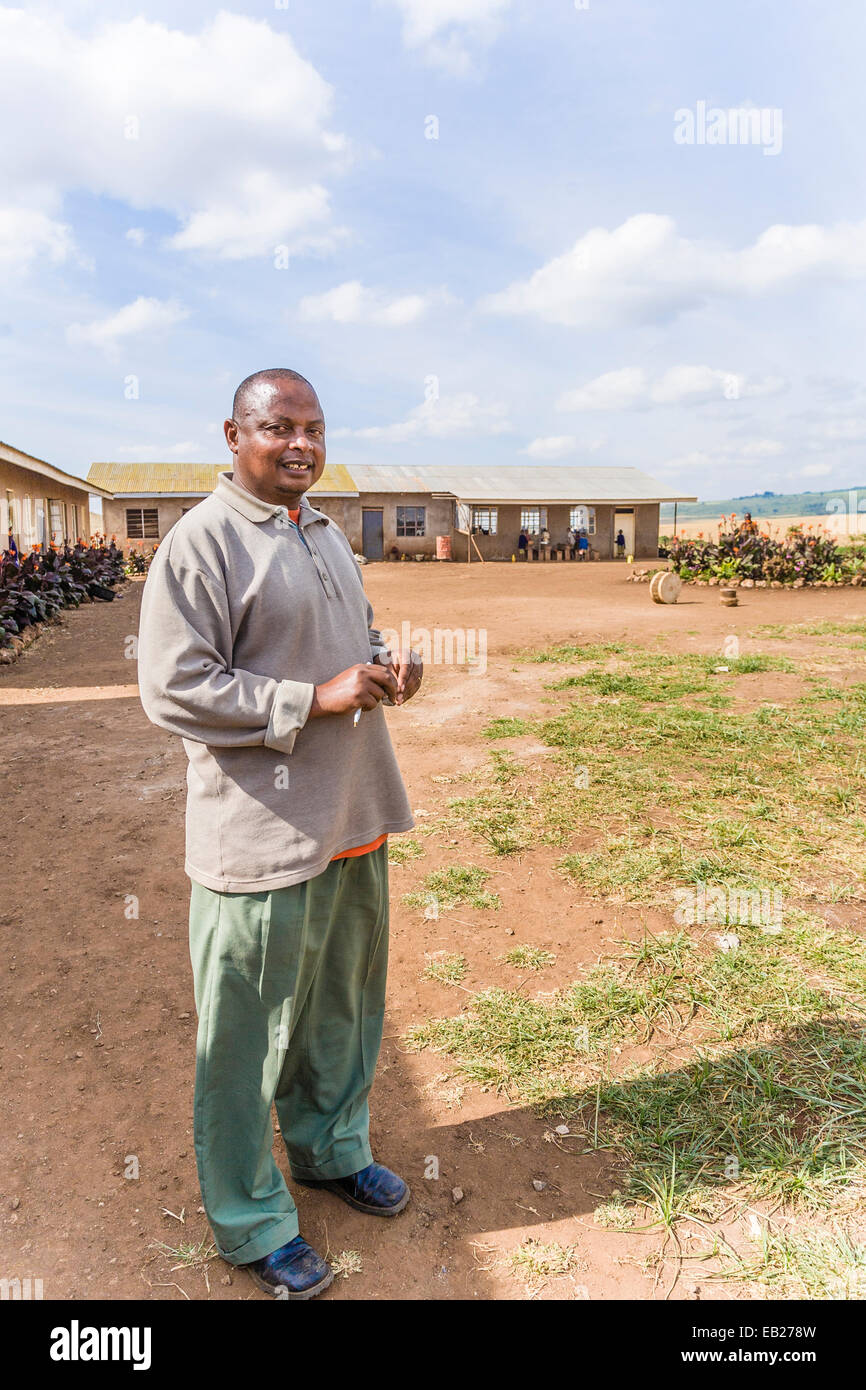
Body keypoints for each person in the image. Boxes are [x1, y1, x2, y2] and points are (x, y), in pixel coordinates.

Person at [138, 368, 422, 1301]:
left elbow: (350, 644)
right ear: (233, 434)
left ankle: (331, 1151)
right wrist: (312, 697)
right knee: (244, 1041)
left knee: (340, 1014)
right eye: (278, 427)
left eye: (314, 427)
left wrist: (382, 666)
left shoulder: (327, 533)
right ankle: (251, 1218)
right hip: (259, 839)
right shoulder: (201, 544)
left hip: (351, 817)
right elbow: (173, 687)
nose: (300, 443)